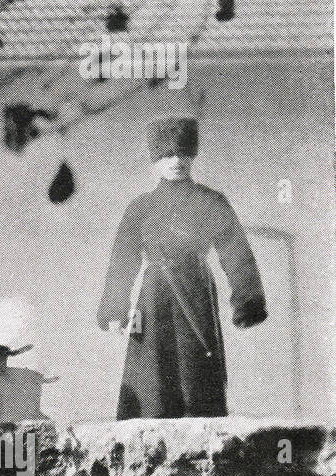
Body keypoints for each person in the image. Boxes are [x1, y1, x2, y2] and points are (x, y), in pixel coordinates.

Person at [97, 117, 267, 419]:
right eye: (167, 155)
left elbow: (236, 251)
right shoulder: (140, 207)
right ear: (155, 161)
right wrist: (114, 308)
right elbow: (123, 259)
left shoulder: (211, 201)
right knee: (150, 373)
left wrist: (247, 301)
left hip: (196, 291)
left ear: (192, 155)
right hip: (153, 297)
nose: (176, 161)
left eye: (183, 153)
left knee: (196, 371)